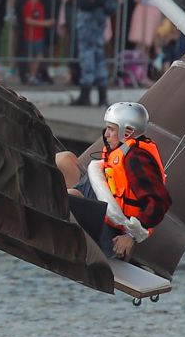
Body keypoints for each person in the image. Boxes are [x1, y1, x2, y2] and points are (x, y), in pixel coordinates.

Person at [54, 102, 171, 260]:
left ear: (127, 132)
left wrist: (131, 236)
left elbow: (159, 202)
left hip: (113, 233)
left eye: (111, 129)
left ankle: (42, 220)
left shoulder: (137, 160)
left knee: (69, 196)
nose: (106, 134)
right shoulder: (123, 148)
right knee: (64, 159)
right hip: (103, 199)